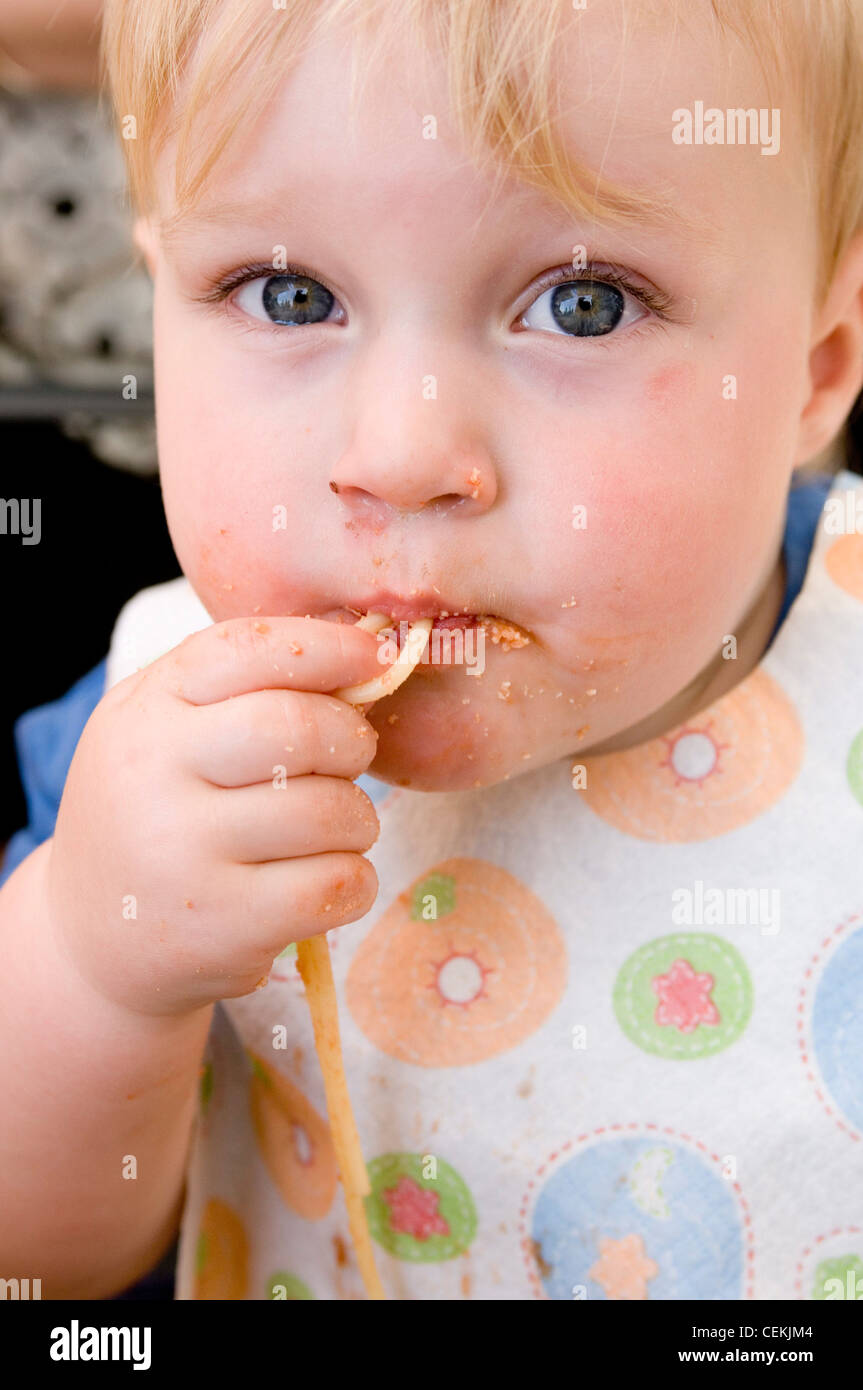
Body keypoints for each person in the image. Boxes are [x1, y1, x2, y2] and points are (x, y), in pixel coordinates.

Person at [1, 0, 862, 1301]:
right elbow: (40, 1257)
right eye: (289, 295)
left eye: (582, 305)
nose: (399, 456)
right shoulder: (162, 751)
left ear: (818, 360)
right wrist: (94, 967)